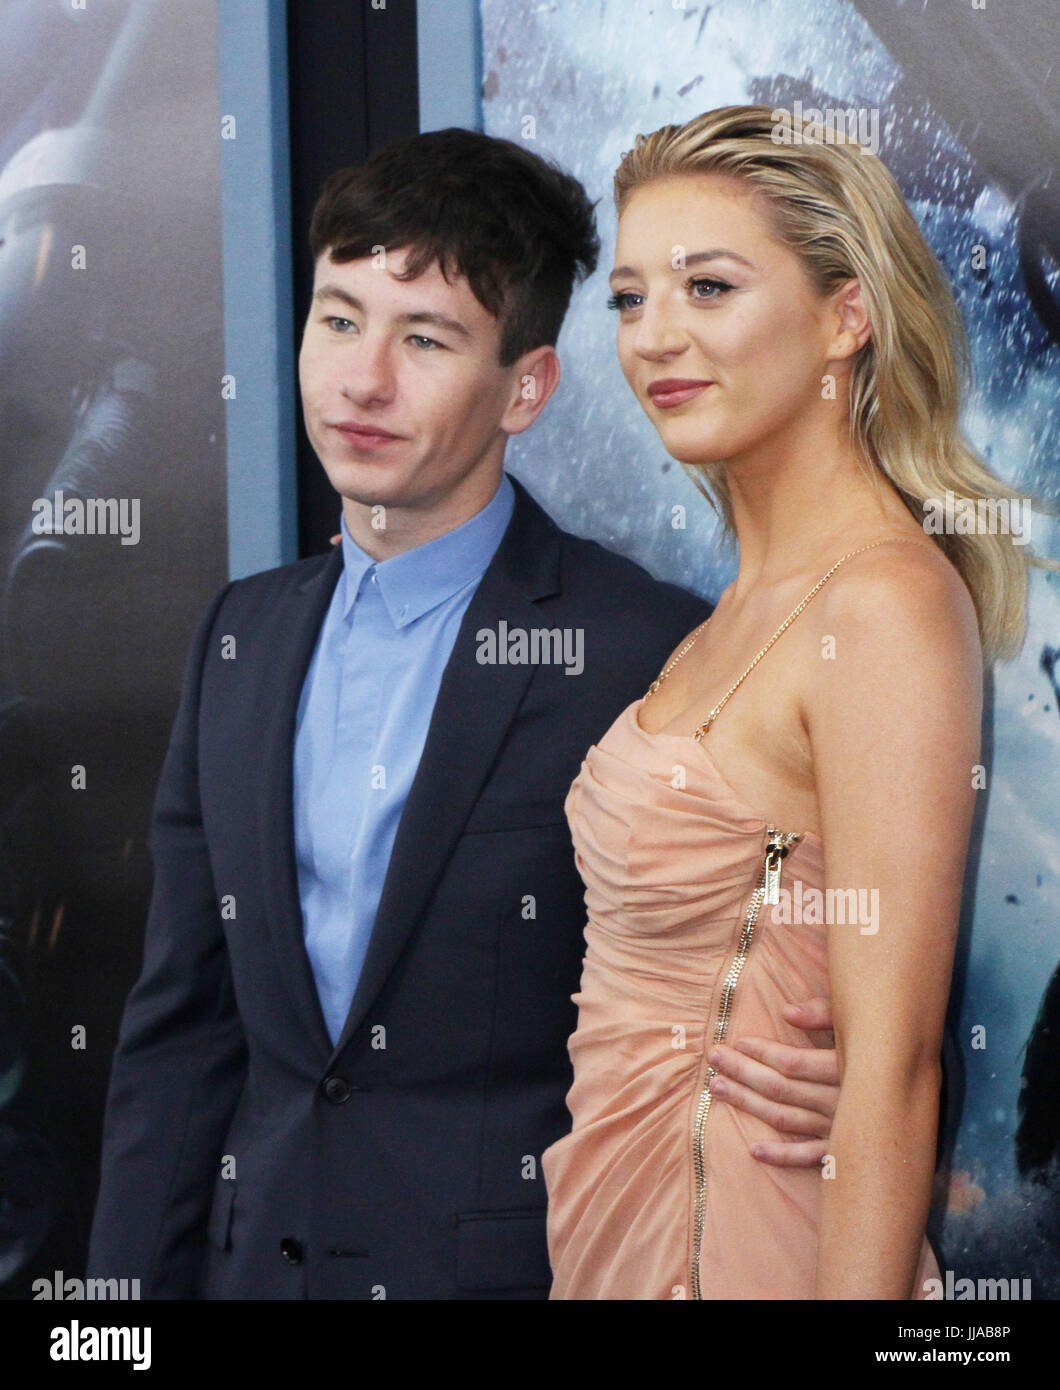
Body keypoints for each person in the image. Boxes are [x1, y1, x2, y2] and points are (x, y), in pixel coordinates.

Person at [86, 127, 844, 1300]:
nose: (361, 380)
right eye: (338, 319)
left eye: (423, 338)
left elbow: (821, 970)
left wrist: (842, 1065)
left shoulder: (645, 648)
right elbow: (181, 1034)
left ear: (526, 387)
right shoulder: (239, 637)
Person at [542, 104, 1049, 1300]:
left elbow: (895, 1066)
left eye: (707, 288)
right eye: (628, 298)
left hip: (749, 1246)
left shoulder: (879, 604)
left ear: (844, 316)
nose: (653, 336)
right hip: (618, 1237)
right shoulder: (736, 609)